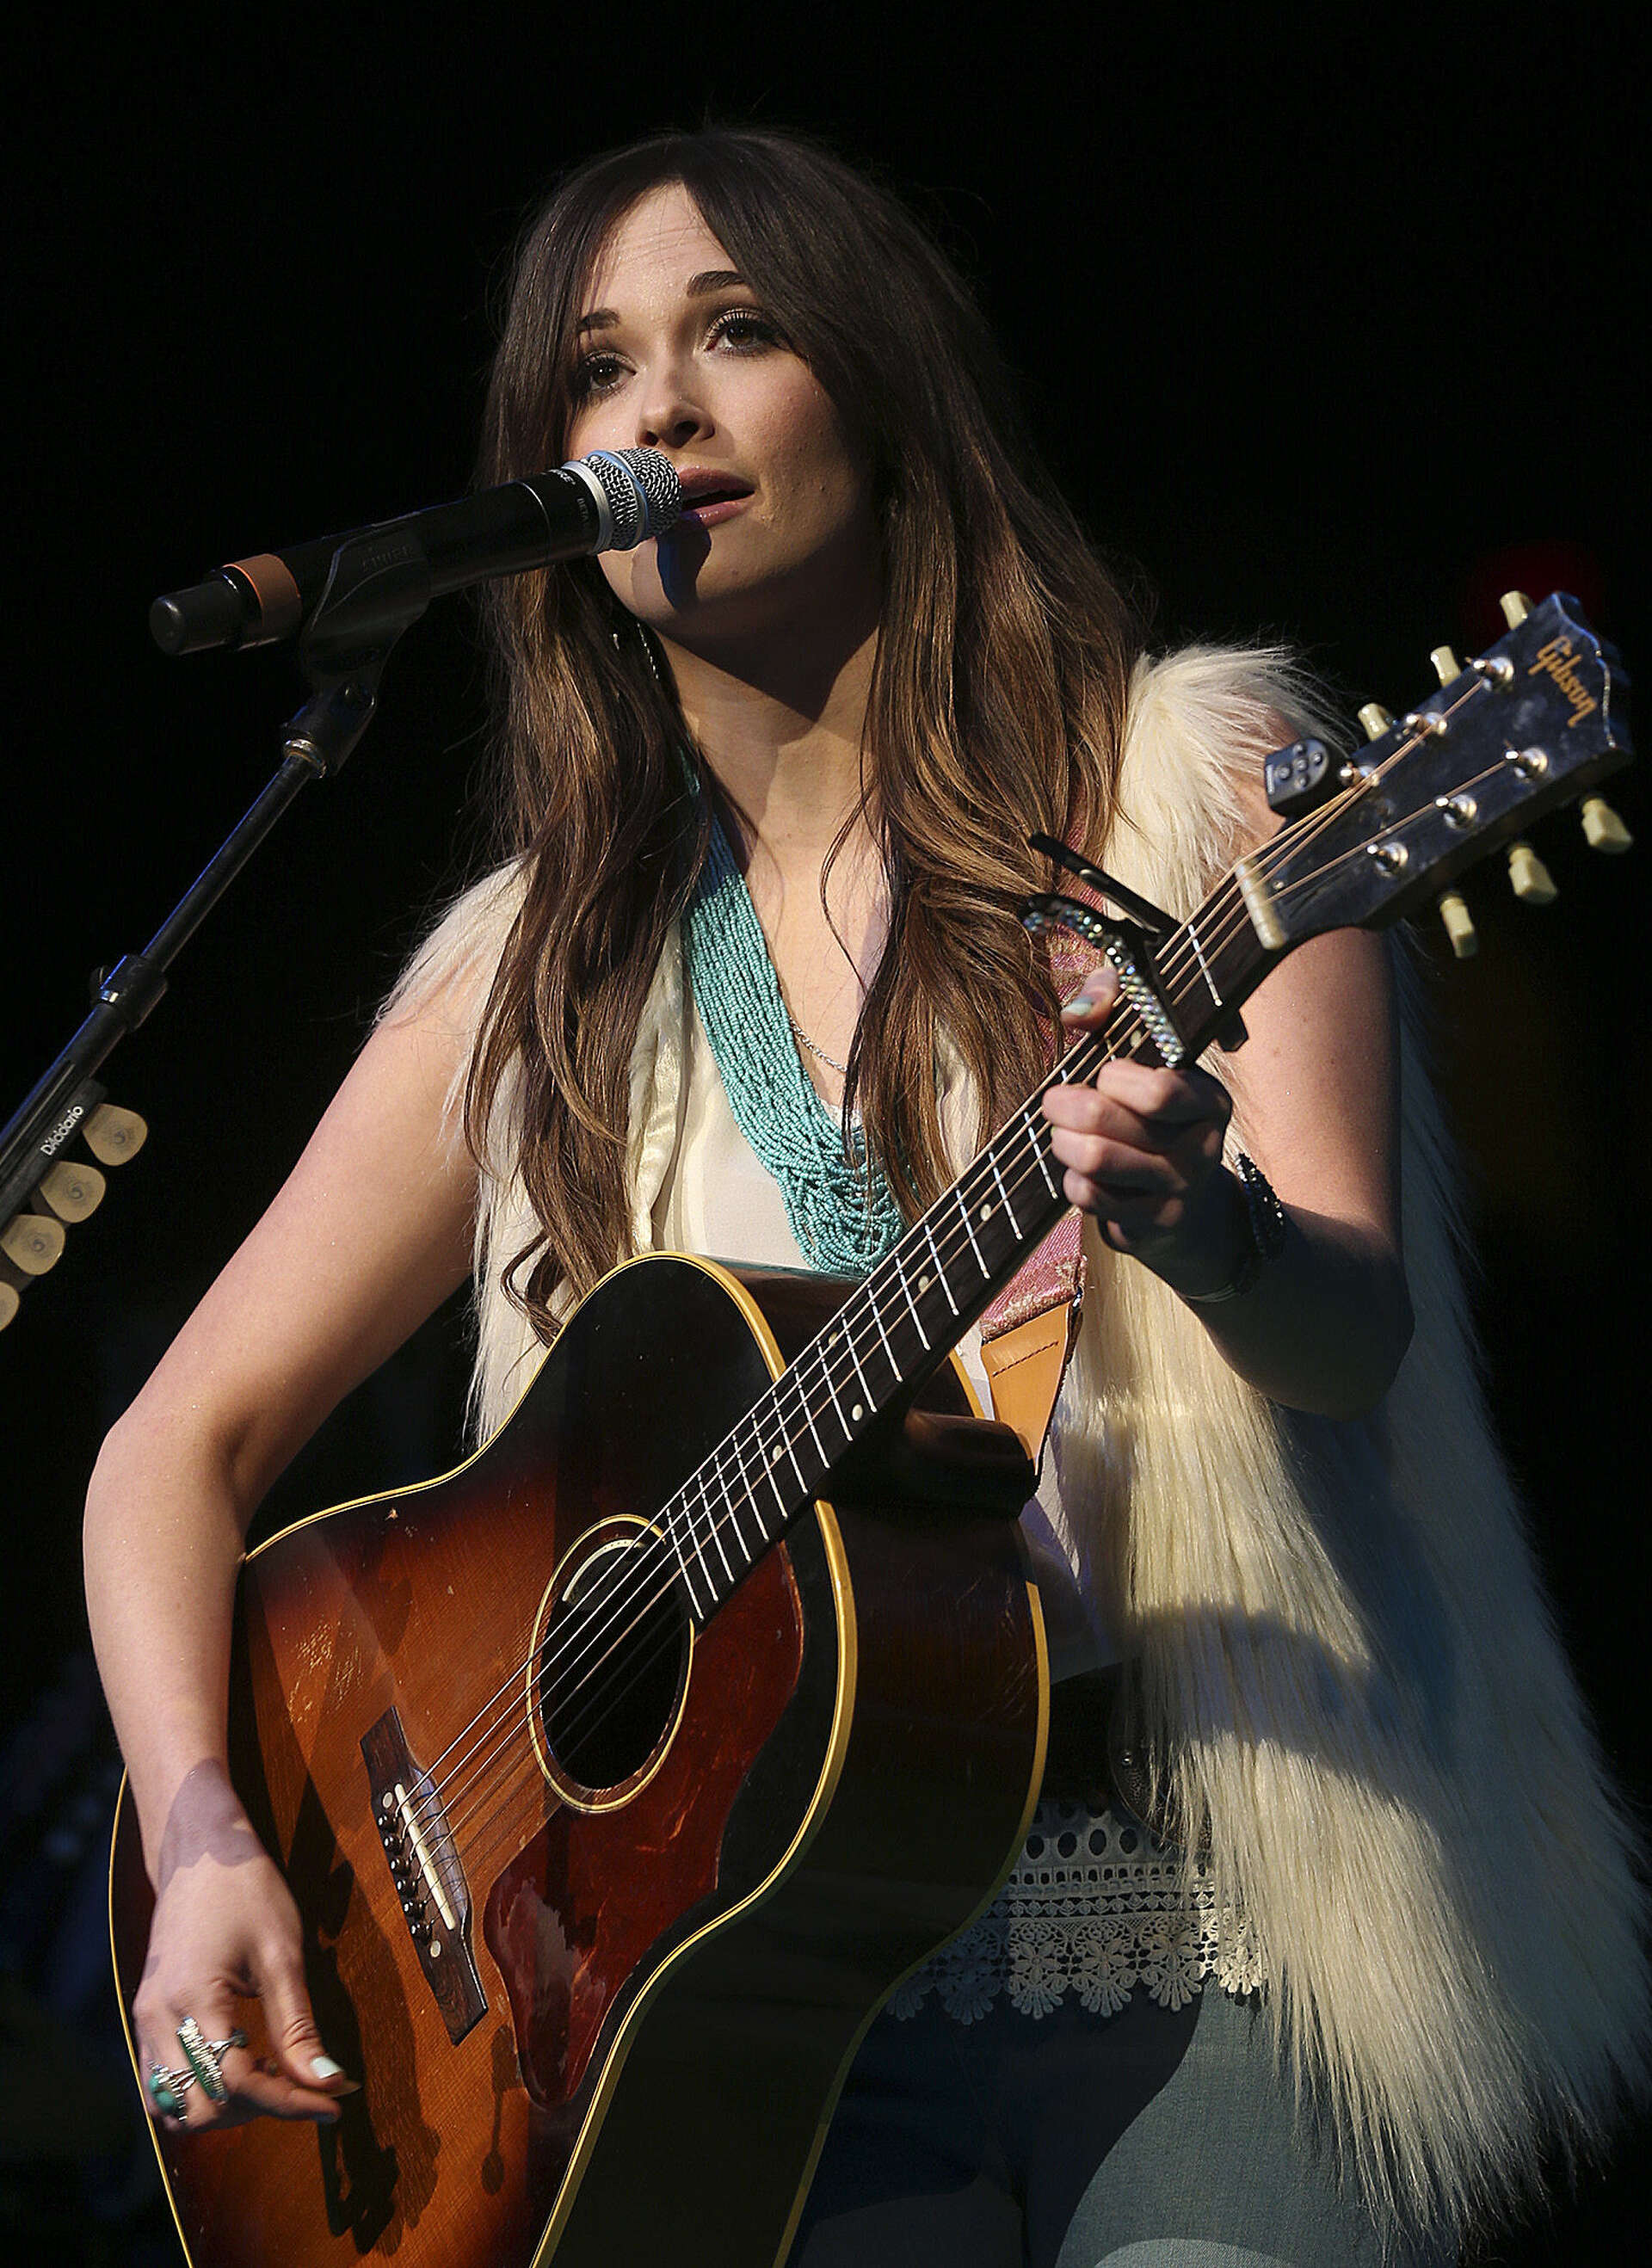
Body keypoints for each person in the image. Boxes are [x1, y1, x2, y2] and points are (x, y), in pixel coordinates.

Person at [83, 129, 1647, 2267]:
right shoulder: (533, 969)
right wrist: (199, 1842)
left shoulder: (1192, 783)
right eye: (598, 369)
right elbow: (174, 1446)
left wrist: (1215, 1227)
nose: (660, 414)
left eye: (740, 332)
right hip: (730, 2006)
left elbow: (1351, 1331)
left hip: (1204, 1930)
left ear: (887, 394)